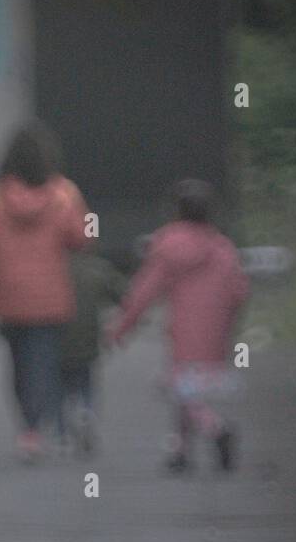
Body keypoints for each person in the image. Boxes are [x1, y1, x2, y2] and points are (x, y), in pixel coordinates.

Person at [0, 122, 88, 461]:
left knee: (19, 365)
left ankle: (28, 427)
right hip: (52, 297)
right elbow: (82, 237)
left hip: (9, 299)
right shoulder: (65, 195)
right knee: (44, 362)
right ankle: (43, 421)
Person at [107, 179, 249, 473]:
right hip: (215, 330)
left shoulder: (167, 245)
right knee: (187, 389)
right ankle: (181, 452)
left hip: (183, 329)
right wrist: (231, 323)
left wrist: (122, 327)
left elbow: (144, 292)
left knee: (182, 389)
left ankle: (216, 430)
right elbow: (239, 291)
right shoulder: (222, 248)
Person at [57, 241, 132, 457]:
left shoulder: (52, 269)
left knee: (59, 389)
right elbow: (125, 295)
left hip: (57, 340)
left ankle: (63, 434)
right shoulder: (99, 268)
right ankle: (86, 412)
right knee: (86, 381)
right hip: (88, 338)